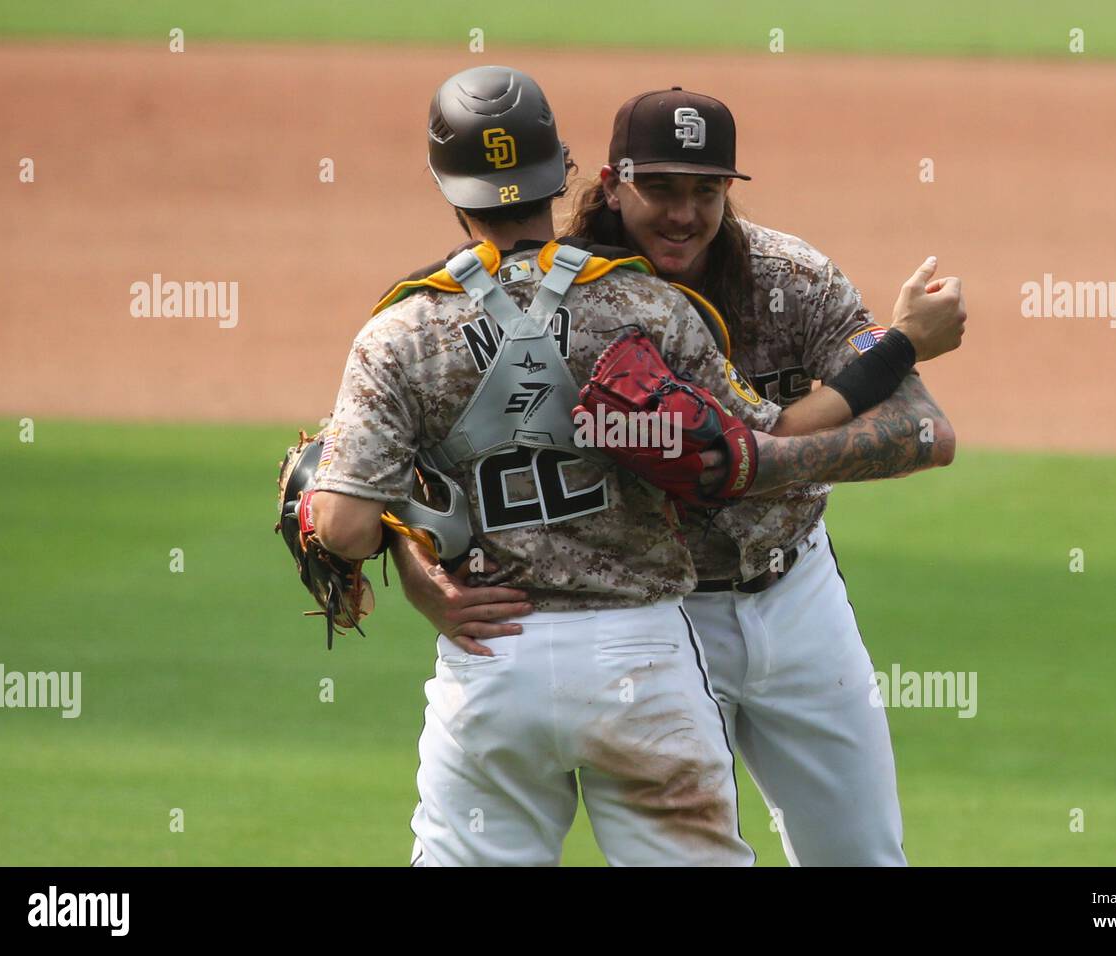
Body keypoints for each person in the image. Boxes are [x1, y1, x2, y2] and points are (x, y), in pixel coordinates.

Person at [306, 66, 861, 867]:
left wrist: (400, 543)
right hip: (643, 665)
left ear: (446, 185)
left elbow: (346, 528)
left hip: (491, 658)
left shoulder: (398, 332)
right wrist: (883, 362)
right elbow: (753, 455)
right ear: (561, 171)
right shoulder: (652, 307)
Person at [398, 87, 967, 866]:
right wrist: (416, 568)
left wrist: (753, 463)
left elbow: (927, 432)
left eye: (707, 190)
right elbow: (382, 446)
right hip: (657, 616)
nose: (683, 213)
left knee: (863, 856)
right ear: (612, 179)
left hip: (798, 599)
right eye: (660, 188)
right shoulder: (557, 285)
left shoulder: (791, 279)